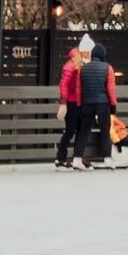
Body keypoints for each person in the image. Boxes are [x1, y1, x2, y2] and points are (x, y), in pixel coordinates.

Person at [69, 35, 116, 170]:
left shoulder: (83, 68)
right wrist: (113, 105)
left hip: (87, 103)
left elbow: (79, 89)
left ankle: (77, 159)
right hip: (103, 103)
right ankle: (108, 159)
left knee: (84, 131)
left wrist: (79, 104)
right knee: (104, 131)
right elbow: (111, 89)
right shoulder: (108, 68)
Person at [55, 39, 90, 168]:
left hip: (79, 102)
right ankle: (60, 158)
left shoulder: (81, 63)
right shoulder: (70, 65)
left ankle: (78, 157)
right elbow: (63, 84)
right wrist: (63, 102)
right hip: (71, 103)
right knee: (70, 131)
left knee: (80, 130)